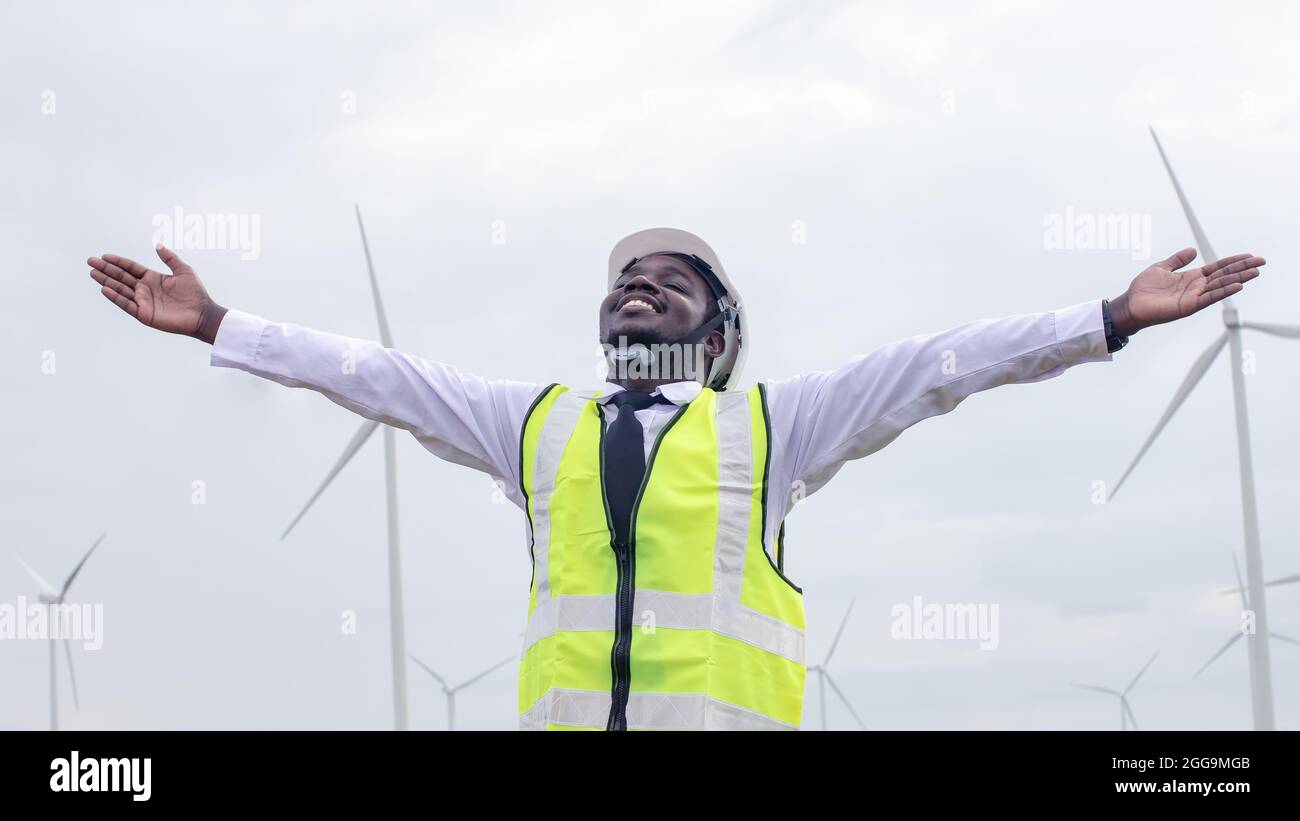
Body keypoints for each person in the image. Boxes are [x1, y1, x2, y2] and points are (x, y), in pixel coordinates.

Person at [87, 227, 1264, 730]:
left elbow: (938, 366)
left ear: (716, 328)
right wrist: (222, 326)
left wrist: (1105, 317)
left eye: (670, 279)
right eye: (623, 279)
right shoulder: (532, 425)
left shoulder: (775, 427)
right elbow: (379, 374)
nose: (636, 287)